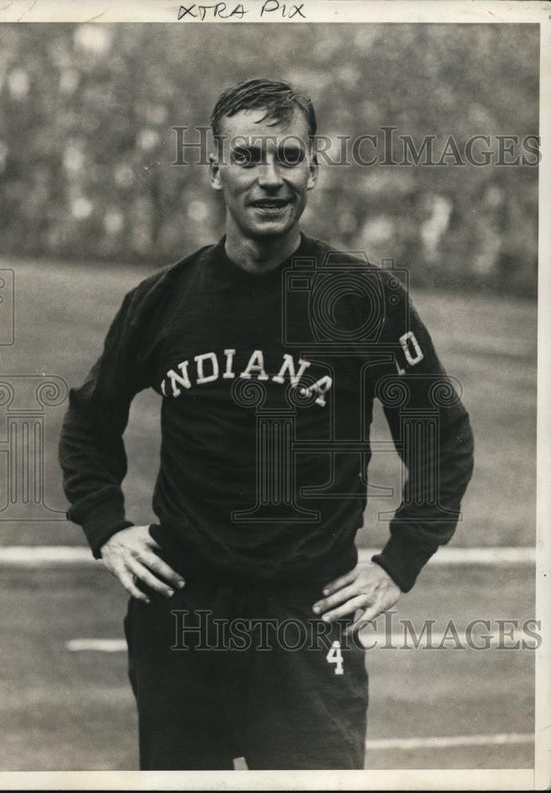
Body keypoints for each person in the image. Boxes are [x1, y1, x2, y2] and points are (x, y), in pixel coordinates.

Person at [59, 78, 474, 770]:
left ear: (313, 168)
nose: (270, 178)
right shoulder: (161, 302)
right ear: (215, 169)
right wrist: (107, 526)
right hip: (183, 611)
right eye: (248, 157)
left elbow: (441, 435)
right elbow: (88, 421)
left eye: (289, 156)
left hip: (308, 616)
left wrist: (400, 562)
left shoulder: (361, 300)